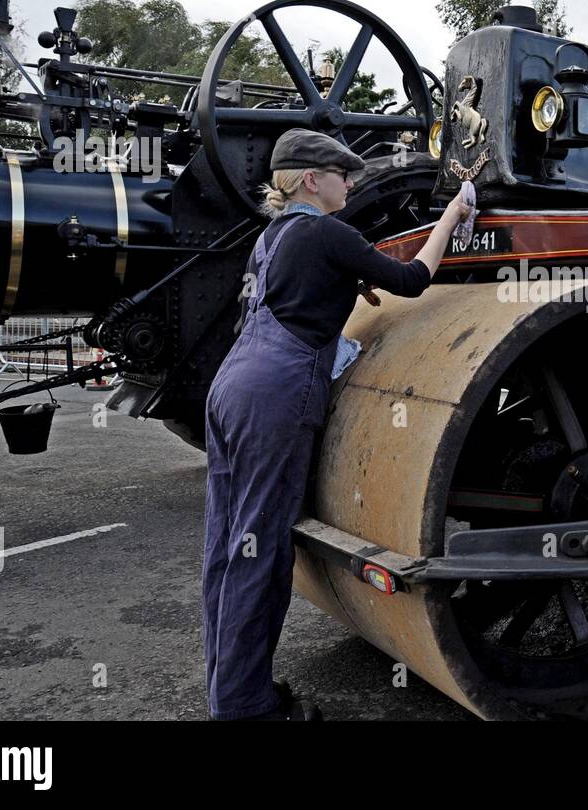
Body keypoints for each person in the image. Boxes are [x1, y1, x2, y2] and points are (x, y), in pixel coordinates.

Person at [202, 128, 472, 720]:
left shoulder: (272, 237)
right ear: (309, 180)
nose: (351, 181)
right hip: (276, 392)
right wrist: (451, 217)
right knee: (262, 551)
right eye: (341, 173)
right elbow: (412, 280)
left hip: (231, 387)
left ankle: (227, 691)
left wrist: (346, 285)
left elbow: (294, 297)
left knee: (227, 545)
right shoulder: (326, 231)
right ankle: (247, 709)